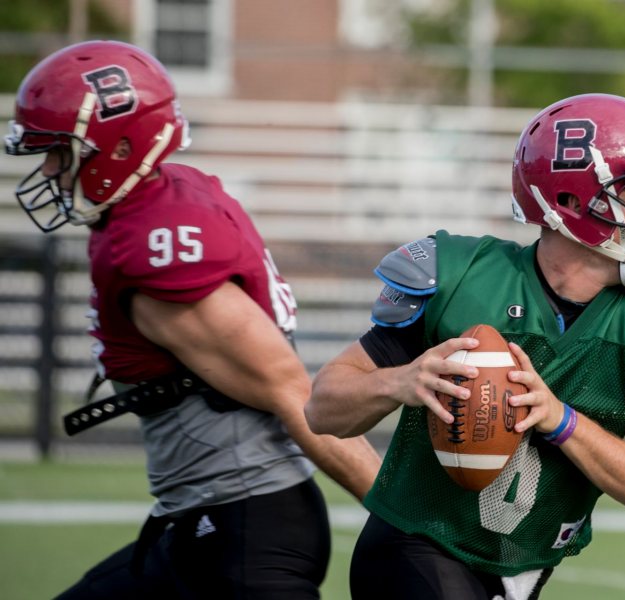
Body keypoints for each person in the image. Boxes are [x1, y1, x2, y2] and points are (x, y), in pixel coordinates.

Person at [305, 93, 625, 599]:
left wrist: (561, 420)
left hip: (527, 567)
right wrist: (398, 381)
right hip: (418, 547)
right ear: (571, 203)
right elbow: (322, 410)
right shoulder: (463, 279)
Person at [4, 40, 381, 599]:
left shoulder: (156, 253)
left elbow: (293, 395)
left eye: (61, 152)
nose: (51, 170)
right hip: (197, 524)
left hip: (243, 531)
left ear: (118, 147)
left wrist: (416, 528)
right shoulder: (160, 202)